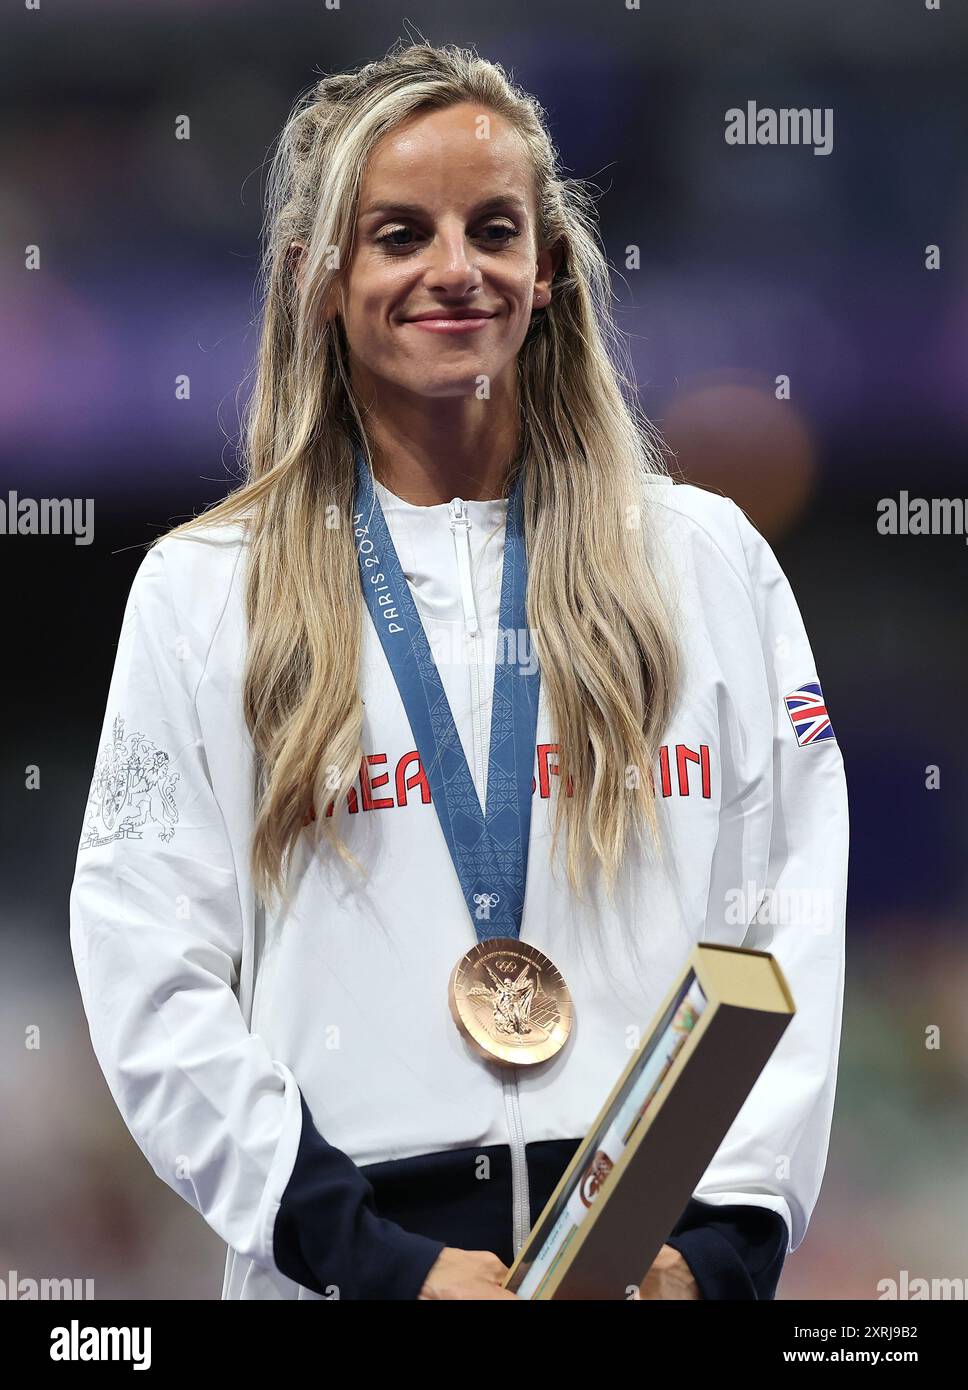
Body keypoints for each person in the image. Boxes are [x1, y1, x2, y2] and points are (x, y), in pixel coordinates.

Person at [68, 41, 848, 1301]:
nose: (453, 269)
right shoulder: (208, 590)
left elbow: (786, 922)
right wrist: (373, 1260)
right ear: (319, 280)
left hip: (640, 1261)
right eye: (396, 233)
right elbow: (147, 972)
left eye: (492, 228)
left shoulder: (702, 560)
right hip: (349, 1265)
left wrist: (719, 1251)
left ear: (546, 270)